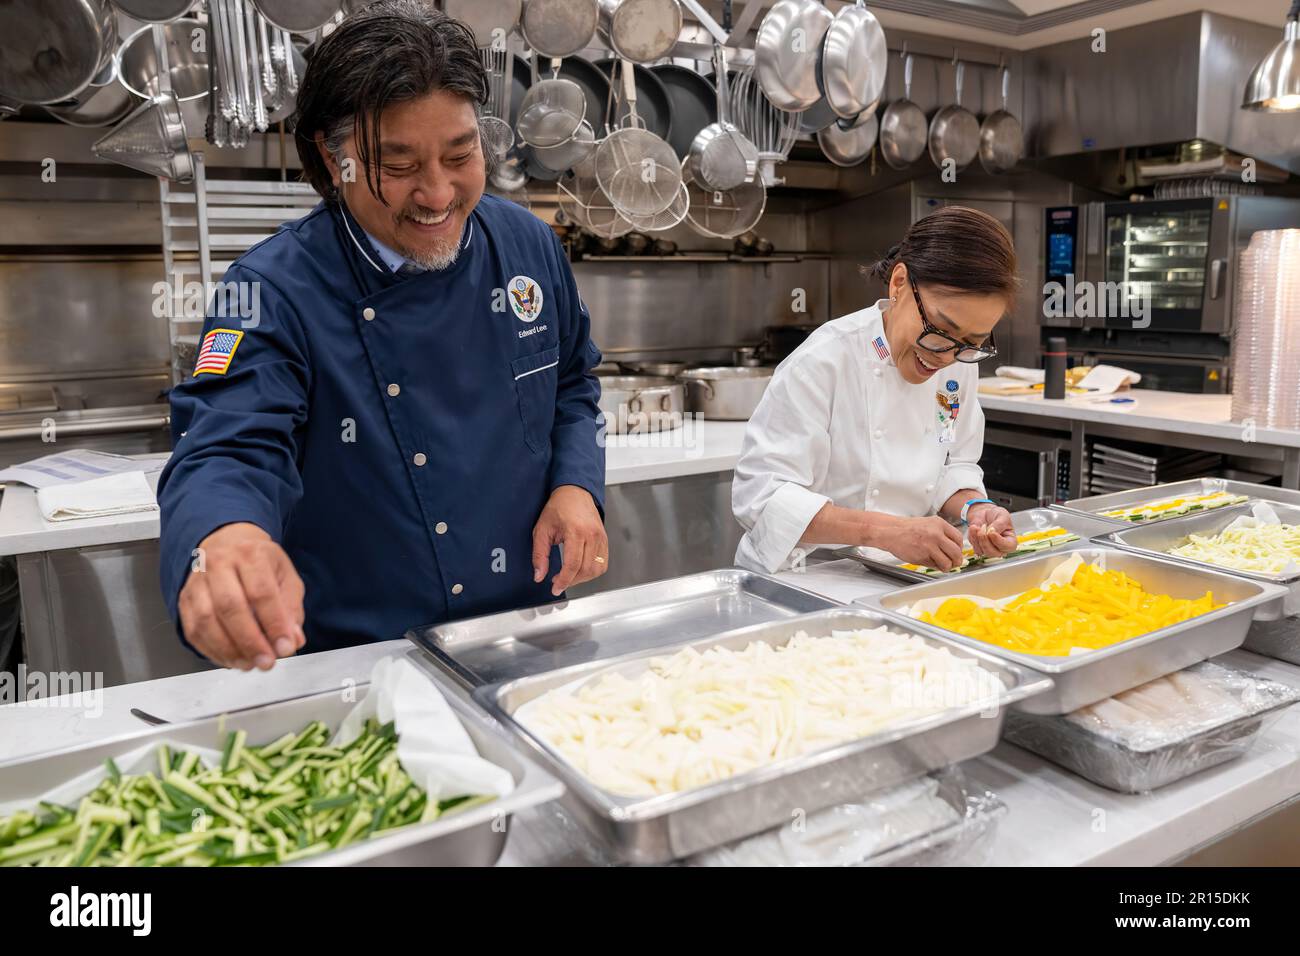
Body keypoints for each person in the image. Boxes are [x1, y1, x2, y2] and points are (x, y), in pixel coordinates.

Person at [158, 1, 607, 671]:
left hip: (523, 637)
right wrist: (223, 535)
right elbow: (227, 443)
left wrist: (576, 485)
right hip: (358, 665)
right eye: (397, 166)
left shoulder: (527, 247)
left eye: (460, 155)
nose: (436, 194)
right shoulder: (271, 292)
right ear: (328, 155)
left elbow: (572, 380)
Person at [732, 206, 1019, 573]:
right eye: (939, 330)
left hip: (900, 573)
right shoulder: (824, 361)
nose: (946, 356)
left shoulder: (955, 369)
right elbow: (761, 498)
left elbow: (950, 463)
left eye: (970, 342)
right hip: (804, 576)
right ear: (899, 283)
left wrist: (976, 510)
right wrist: (888, 532)